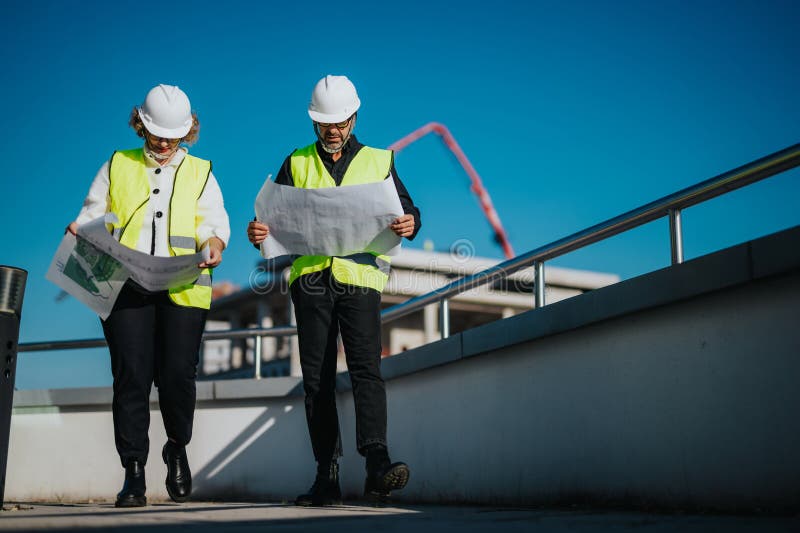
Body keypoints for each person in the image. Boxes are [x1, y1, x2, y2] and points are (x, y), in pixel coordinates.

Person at [247, 75, 421, 505]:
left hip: (359, 279)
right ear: (314, 122)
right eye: (326, 123)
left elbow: (408, 209)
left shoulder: (380, 160)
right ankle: (326, 474)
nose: (333, 130)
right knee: (317, 381)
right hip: (310, 281)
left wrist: (411, 221)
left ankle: (377, 463)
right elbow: (272, 217)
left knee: (366, 370)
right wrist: (260, 232)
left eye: (340, 122)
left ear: (354, 117)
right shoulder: (296, 162)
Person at [66, 84, 230, 507]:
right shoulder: (117, 164)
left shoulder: (203, 172)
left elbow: (213, 223)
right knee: (132, 377)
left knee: (178, 376)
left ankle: (177, 445)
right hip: (124, 285)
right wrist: (81, 227)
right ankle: (133, 471)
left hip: (183, 284)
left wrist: (214, 245)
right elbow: (93, 210)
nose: (163, 142)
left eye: (172, 136)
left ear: (187, 132)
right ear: (140, 124)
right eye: (156, 132)